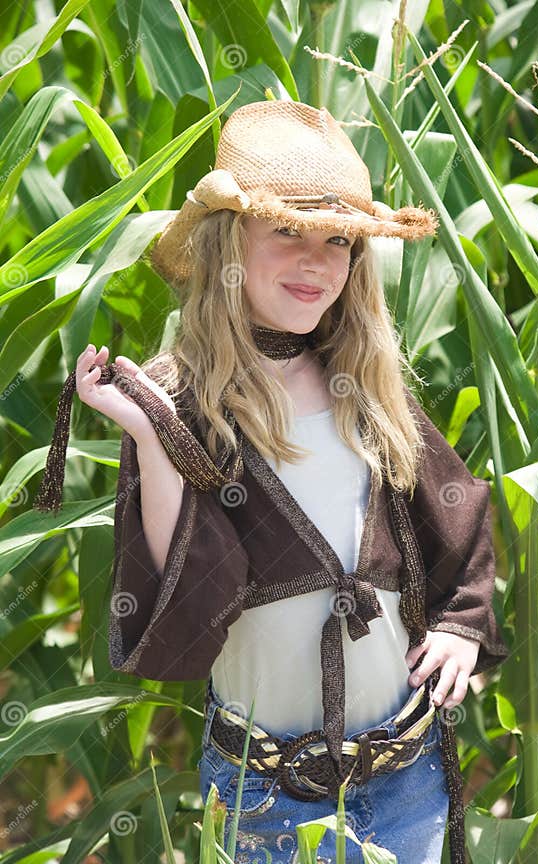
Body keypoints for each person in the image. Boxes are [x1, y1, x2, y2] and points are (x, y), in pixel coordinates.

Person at [35, 100, 509, 864]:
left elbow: (458, 518)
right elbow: (188, 589)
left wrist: (461, 625)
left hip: (406, 774)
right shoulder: (182, 402)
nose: (316, 262)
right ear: (229, 241)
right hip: (268, 793)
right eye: (287, 231)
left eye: (338, 240)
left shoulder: (368, 387)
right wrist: (152, 439)